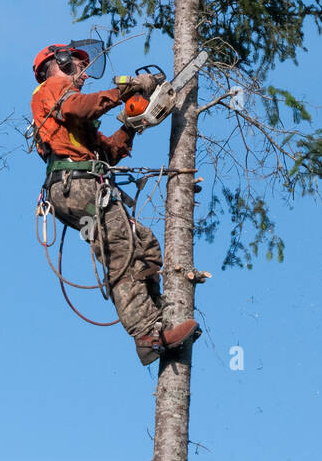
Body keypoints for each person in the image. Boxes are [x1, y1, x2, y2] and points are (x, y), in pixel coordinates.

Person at [31, 42, 198, 365]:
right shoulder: (54, 88)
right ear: (60, 63)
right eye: (77, 65)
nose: (82, 72)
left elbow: (106, 153)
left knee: (143, 242)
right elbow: (80, 107)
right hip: (75, 186)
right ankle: (147, 332)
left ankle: (158, 317)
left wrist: (132, 124)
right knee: (121, 248)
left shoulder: (70, 109)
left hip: (83, 185)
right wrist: (127, 90)